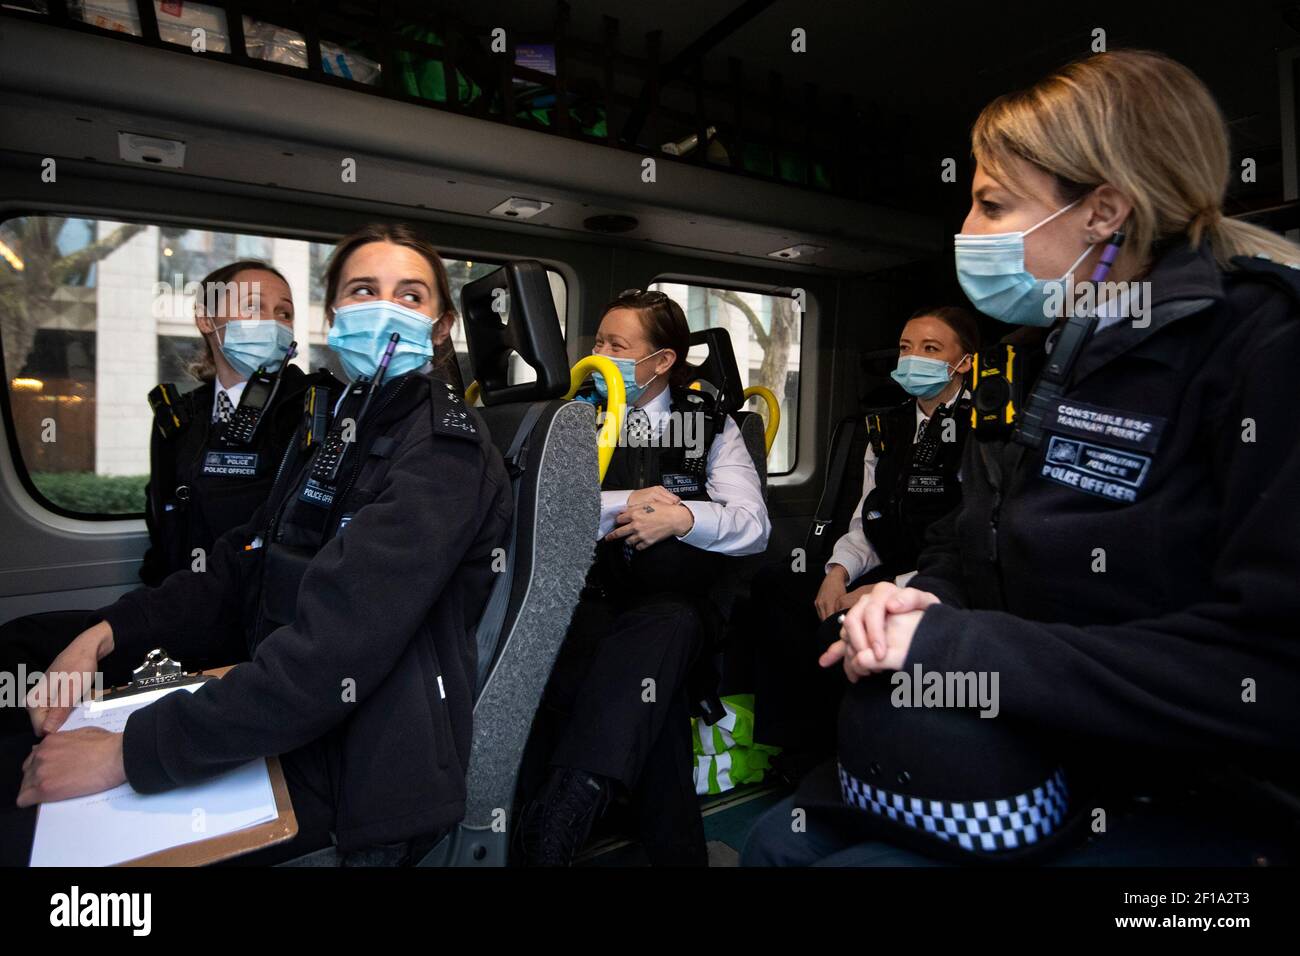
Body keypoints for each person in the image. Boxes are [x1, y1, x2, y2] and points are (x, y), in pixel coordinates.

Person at [744, 49, 1300, 866]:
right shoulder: (1041, 358)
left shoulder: (1262, 347)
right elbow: (975, 544)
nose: (966, 234)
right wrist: (923, 599)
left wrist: (959, 650)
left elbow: (1271, 671)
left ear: (1104, 211)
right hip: (1047, 744)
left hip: (1202, 794)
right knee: (775, 845)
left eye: (992, 206)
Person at [0, 222, 512, 866]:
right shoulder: (339, 426)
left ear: (440, 329)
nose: (384, 308)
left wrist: (133, 751)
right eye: (363, 290)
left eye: (410, 296)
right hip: (284, 714)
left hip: (358, 765)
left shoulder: (442, 450)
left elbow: (338, 648)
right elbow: (246, 559)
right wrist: (106, 631)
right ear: (334, 316)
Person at [0, 260, 329, 713]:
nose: (272, 323)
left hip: (247, 621)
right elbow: (164, 541)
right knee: (19, 647)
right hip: (176, 610)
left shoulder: (313, 413)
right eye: (254, 307)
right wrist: (140, 614)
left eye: (284, 313)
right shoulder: (179, 418)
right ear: (207, 319)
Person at [517, 289, 771, 866]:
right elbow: (543, 508)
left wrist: (684, 516)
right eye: (598, 342)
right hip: (590, 602)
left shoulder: (710, 424)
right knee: (650, 685)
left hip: (677, 602)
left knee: (668, 625)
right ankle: (609, 819)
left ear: (660, 362)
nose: (601, 354)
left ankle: (558, 819)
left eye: (617, 345)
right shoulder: (572, 417)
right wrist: (628, 501)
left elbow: (752, 526)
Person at [747, 306, 978, 755]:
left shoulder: (981, 429)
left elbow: (973, 543)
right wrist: (838, 572)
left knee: (837, 626)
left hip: (944, 578)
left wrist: (885, 590)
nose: (914, 359)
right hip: (890, 560)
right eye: (907, 348)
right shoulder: (886, 426)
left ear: (963, 362)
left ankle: (851, 753)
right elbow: (866, 518)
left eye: (931, 349)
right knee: (777, 585)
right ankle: (797, 747)